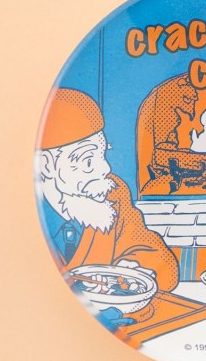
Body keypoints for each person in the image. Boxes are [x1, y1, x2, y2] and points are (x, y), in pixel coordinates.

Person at [35, 87, 179, 293]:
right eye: (87, 161)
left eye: (103, 154)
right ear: (47, 165)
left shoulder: (112, 194)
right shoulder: (29, 211)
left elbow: (155, 255)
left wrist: (137, 268)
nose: (106, 168)